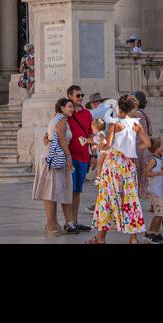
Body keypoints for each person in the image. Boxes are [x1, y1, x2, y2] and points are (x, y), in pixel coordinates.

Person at [87, 93, 148, 245]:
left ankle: (100, 237)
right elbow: (147, 143)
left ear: (118, 107)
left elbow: (107, 145)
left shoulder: (114, 124)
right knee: (130, 198)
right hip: (128, 164)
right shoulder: (136, 124)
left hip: (113, 163)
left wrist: (97, 144)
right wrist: (133, 147)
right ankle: (133, 238)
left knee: (107, 198)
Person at [32, 96, 74, 237]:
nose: (71, 109)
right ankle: (51, 224)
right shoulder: (61, 119)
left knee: (52, 191)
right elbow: (61, 139)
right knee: (50, 192)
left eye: (72, 106)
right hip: (54, 159)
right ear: (61, 108)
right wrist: (69, 156)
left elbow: (51, 135)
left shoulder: (55, 118)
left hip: (50, 158)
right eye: (69, 106)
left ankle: (52, 223)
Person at [63, 84, 94, 234]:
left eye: (82, 95)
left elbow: (91, 135)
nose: (81, 98)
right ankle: (68, 222)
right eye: (78, 96)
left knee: (77, 192)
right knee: (68, 190)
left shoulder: (88, 114)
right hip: (69, 157)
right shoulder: (65, 115)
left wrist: (93, 155)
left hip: (83, 157)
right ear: (70, 96)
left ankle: (74, 221)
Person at [143, 137, 163, 244]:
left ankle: (156, 233)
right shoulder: (153, 159)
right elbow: (146, 172)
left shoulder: (159, 158)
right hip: (155, 191)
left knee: (160, 213)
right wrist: (159, 173)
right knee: (158, 214)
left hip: (159, 190)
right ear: (157, 148)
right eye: (161, 145)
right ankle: (149, 233)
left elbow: (161, 172)